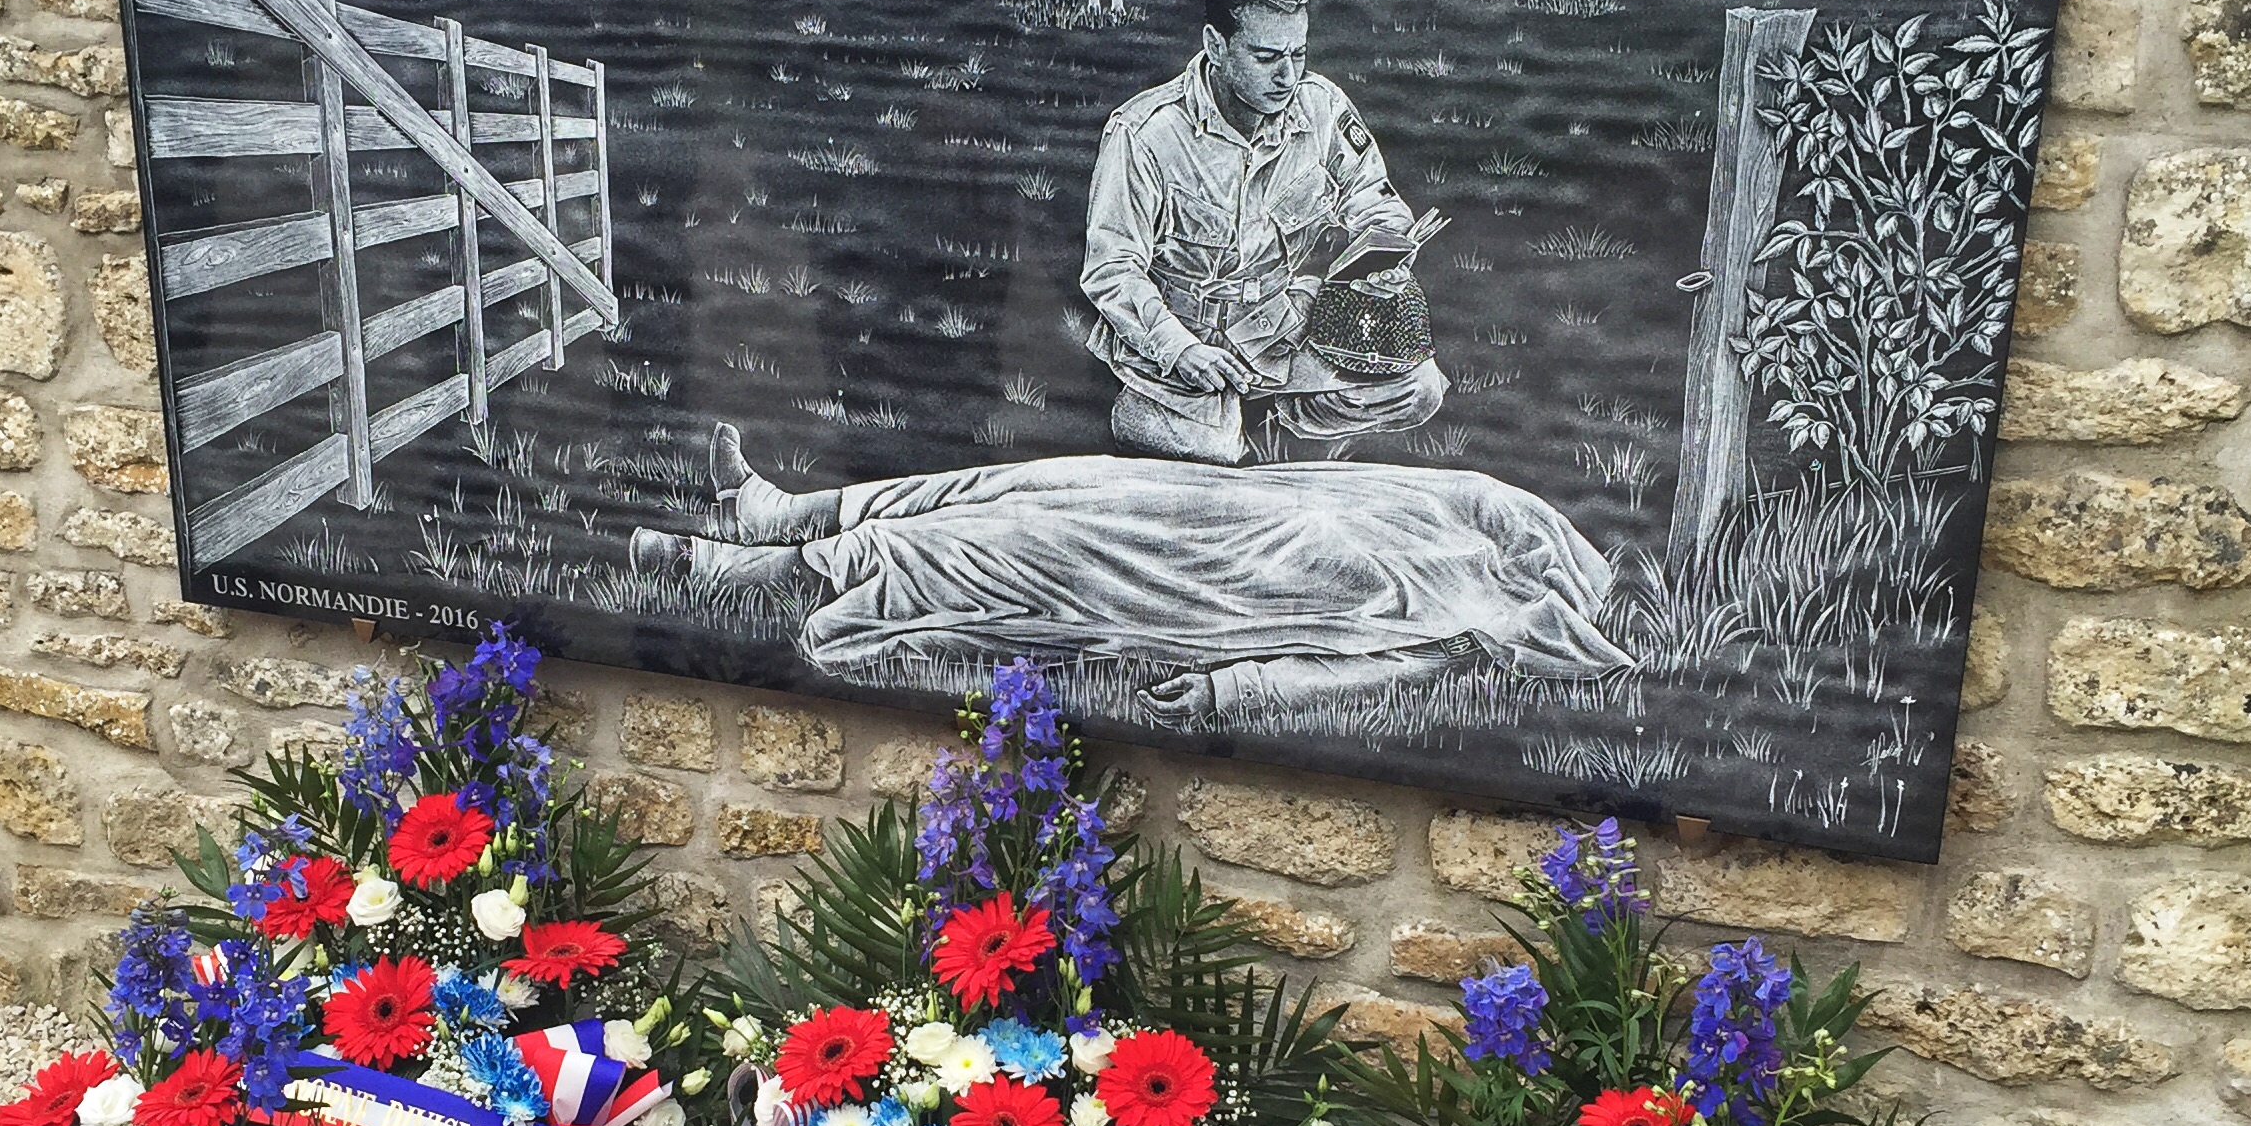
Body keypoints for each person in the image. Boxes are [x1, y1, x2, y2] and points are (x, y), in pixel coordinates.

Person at [629, 428, 1629, 730]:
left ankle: (744, 567)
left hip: (1184, 581)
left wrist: (1224, 689)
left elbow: (1363, 678)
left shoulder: (1462, 616)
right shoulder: (1447, 503)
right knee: (1041, 479)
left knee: (1003, 544)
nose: (1525, 556)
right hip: (1188, 507)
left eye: (1535, 567)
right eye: (1532, 544)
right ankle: (788, 514)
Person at [1080, 0, 1449, 466]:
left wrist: (1384, 260)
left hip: (1286, 328)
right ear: (1216, 46)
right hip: (1188, 350)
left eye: (1298, 53)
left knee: (1419, 389)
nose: (1288, 75)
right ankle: (1207, 426)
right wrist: (1180, 350)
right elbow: (1111, 270)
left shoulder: (1321, 107)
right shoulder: (1144, 134)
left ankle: (1279, 427)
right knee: (1206, 463)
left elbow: (1375, 200)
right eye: (1266, 56)